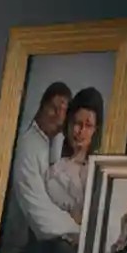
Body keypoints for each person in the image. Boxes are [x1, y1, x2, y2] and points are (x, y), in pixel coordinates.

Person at [0, 81, 80, 253]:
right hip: (31, 244)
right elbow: (37, 209)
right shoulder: (28, 145)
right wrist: (75, 228)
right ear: (41, 108)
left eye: (63, 111)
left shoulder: (50, 142)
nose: (58, 117)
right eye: (53, 108)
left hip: (51, 234)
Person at [46, 87, 105, 225]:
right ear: (69, 123)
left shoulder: (100, 170)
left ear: (95, 130)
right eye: (77, 123)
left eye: (88, 125)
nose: (81, 131)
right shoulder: (55, 171)